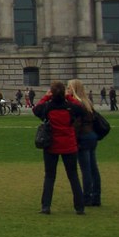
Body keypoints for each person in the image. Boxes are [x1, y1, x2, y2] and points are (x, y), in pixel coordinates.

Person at [33, 80, 86, 214]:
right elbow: (81, 108)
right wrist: (68, 96)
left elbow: (36, 109)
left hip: (52, 145)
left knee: (50, 176)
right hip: (69, 145)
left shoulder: (48, 106)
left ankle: (46, 206)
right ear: (64, 93)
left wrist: (46, 96)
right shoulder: (70, 106)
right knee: (73, 176)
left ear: (52, 93)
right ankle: (79, 207)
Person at [68, 79, 102, 207]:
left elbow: (77, 124)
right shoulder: (87, 102)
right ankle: (96, 197)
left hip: (83, 137)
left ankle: (86, 197)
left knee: (85, 169)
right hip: (92, 136)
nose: (68, 90)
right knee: (94, 168)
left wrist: (73, 138)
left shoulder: (77, 104)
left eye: (69, 87)